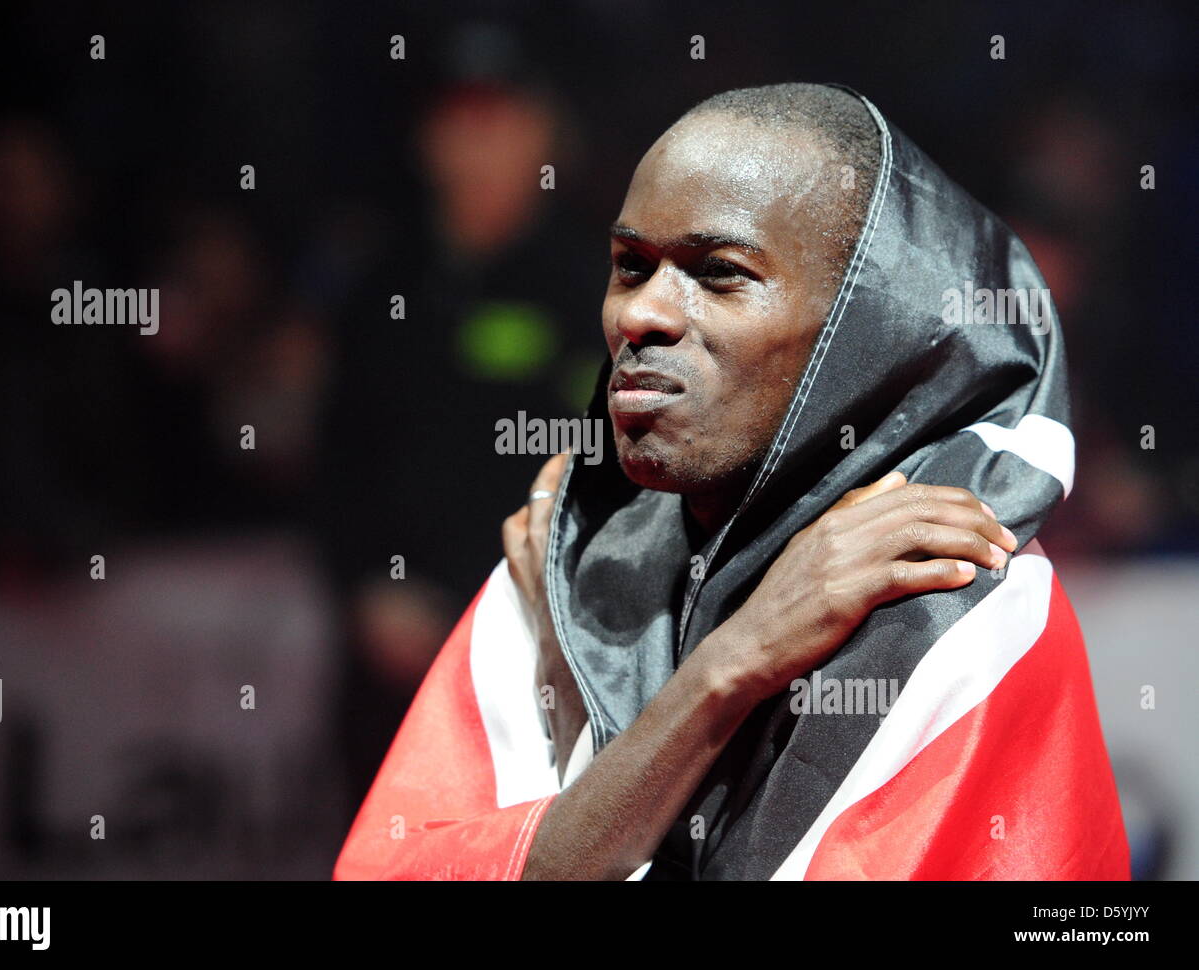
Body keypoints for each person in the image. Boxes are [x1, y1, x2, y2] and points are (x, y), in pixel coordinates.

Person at [333, 83, 1130, 880]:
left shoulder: (961, 594)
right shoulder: (559, 567)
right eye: (630, 265)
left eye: (718, 272)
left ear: (863, 325)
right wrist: (728, 664)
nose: (642, 313)